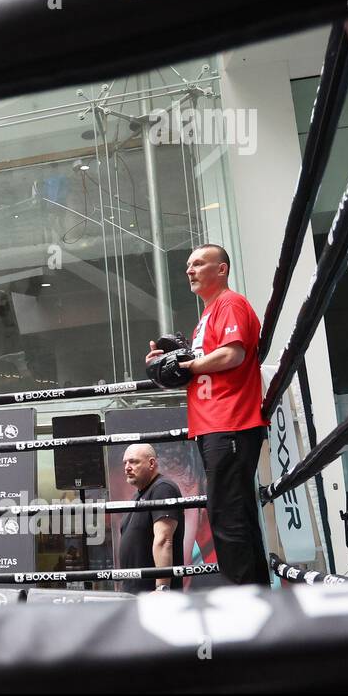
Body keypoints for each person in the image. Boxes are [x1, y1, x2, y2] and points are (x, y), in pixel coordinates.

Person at [145, 243, 270, 586]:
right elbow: (199, 368)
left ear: (221, 269)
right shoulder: (207, 316)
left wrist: (186, 364)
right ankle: (257, 597)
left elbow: (232, 354)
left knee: (227, 516)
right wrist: (166, 365)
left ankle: (243, 603)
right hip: (217, 425)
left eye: (199, 263)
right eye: (188, 264)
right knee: (235, 513)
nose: (190, 270)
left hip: (230, 422)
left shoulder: (230, 303)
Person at [115, 444, 185, 593]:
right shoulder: (138, 496)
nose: (127, 467)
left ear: (151, 463)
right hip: (134, 592)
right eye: (125, 462)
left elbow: (164, 540)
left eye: (133, 462)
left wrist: (162, 588)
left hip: (153, 595)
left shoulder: (163, 488)